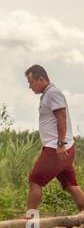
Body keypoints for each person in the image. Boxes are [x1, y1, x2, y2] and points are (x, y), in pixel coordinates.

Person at [25, 65, 84, 214]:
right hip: (62, 149)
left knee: (35, 181)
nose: (30, 86)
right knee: (71, 186)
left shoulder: (53, 93)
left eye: (31, 82)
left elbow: (61, 118)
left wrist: (60, 144)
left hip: (56, 149)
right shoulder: (47, 94)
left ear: (41, 79)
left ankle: (30, 223)